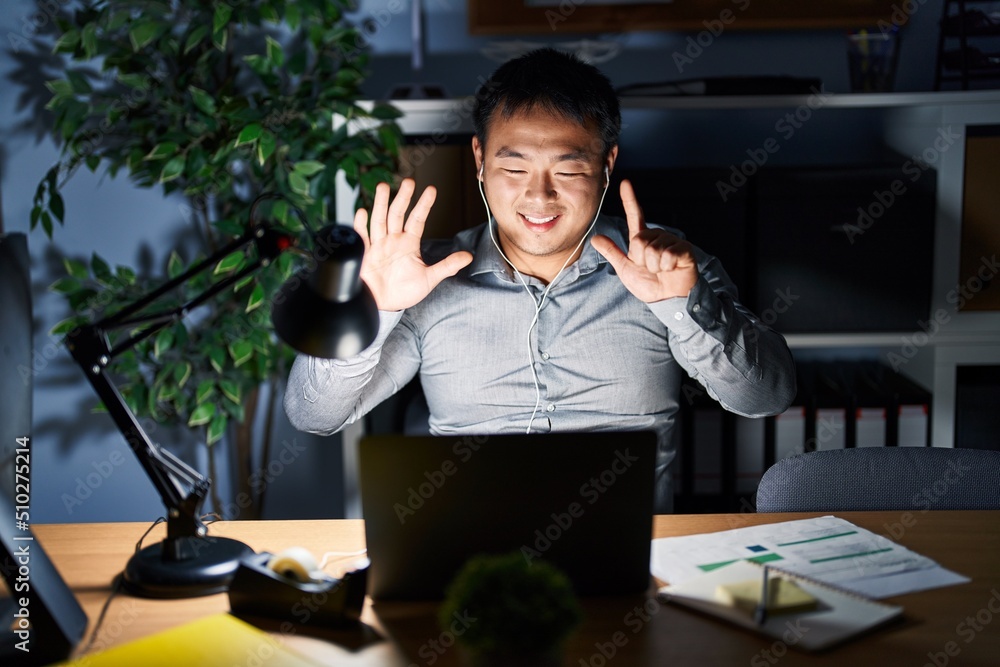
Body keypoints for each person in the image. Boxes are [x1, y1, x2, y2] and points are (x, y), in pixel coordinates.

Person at [284, 48, 796, 512]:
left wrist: (685, 307)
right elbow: (314, 414)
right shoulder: (425, 279)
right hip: (467, 561)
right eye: (515, 168)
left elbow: (767, 397)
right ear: (480, 161)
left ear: (607, 164)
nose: (540, 197)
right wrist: (374, 308)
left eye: (568, 170)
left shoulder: (665, 263)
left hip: (632, 562)